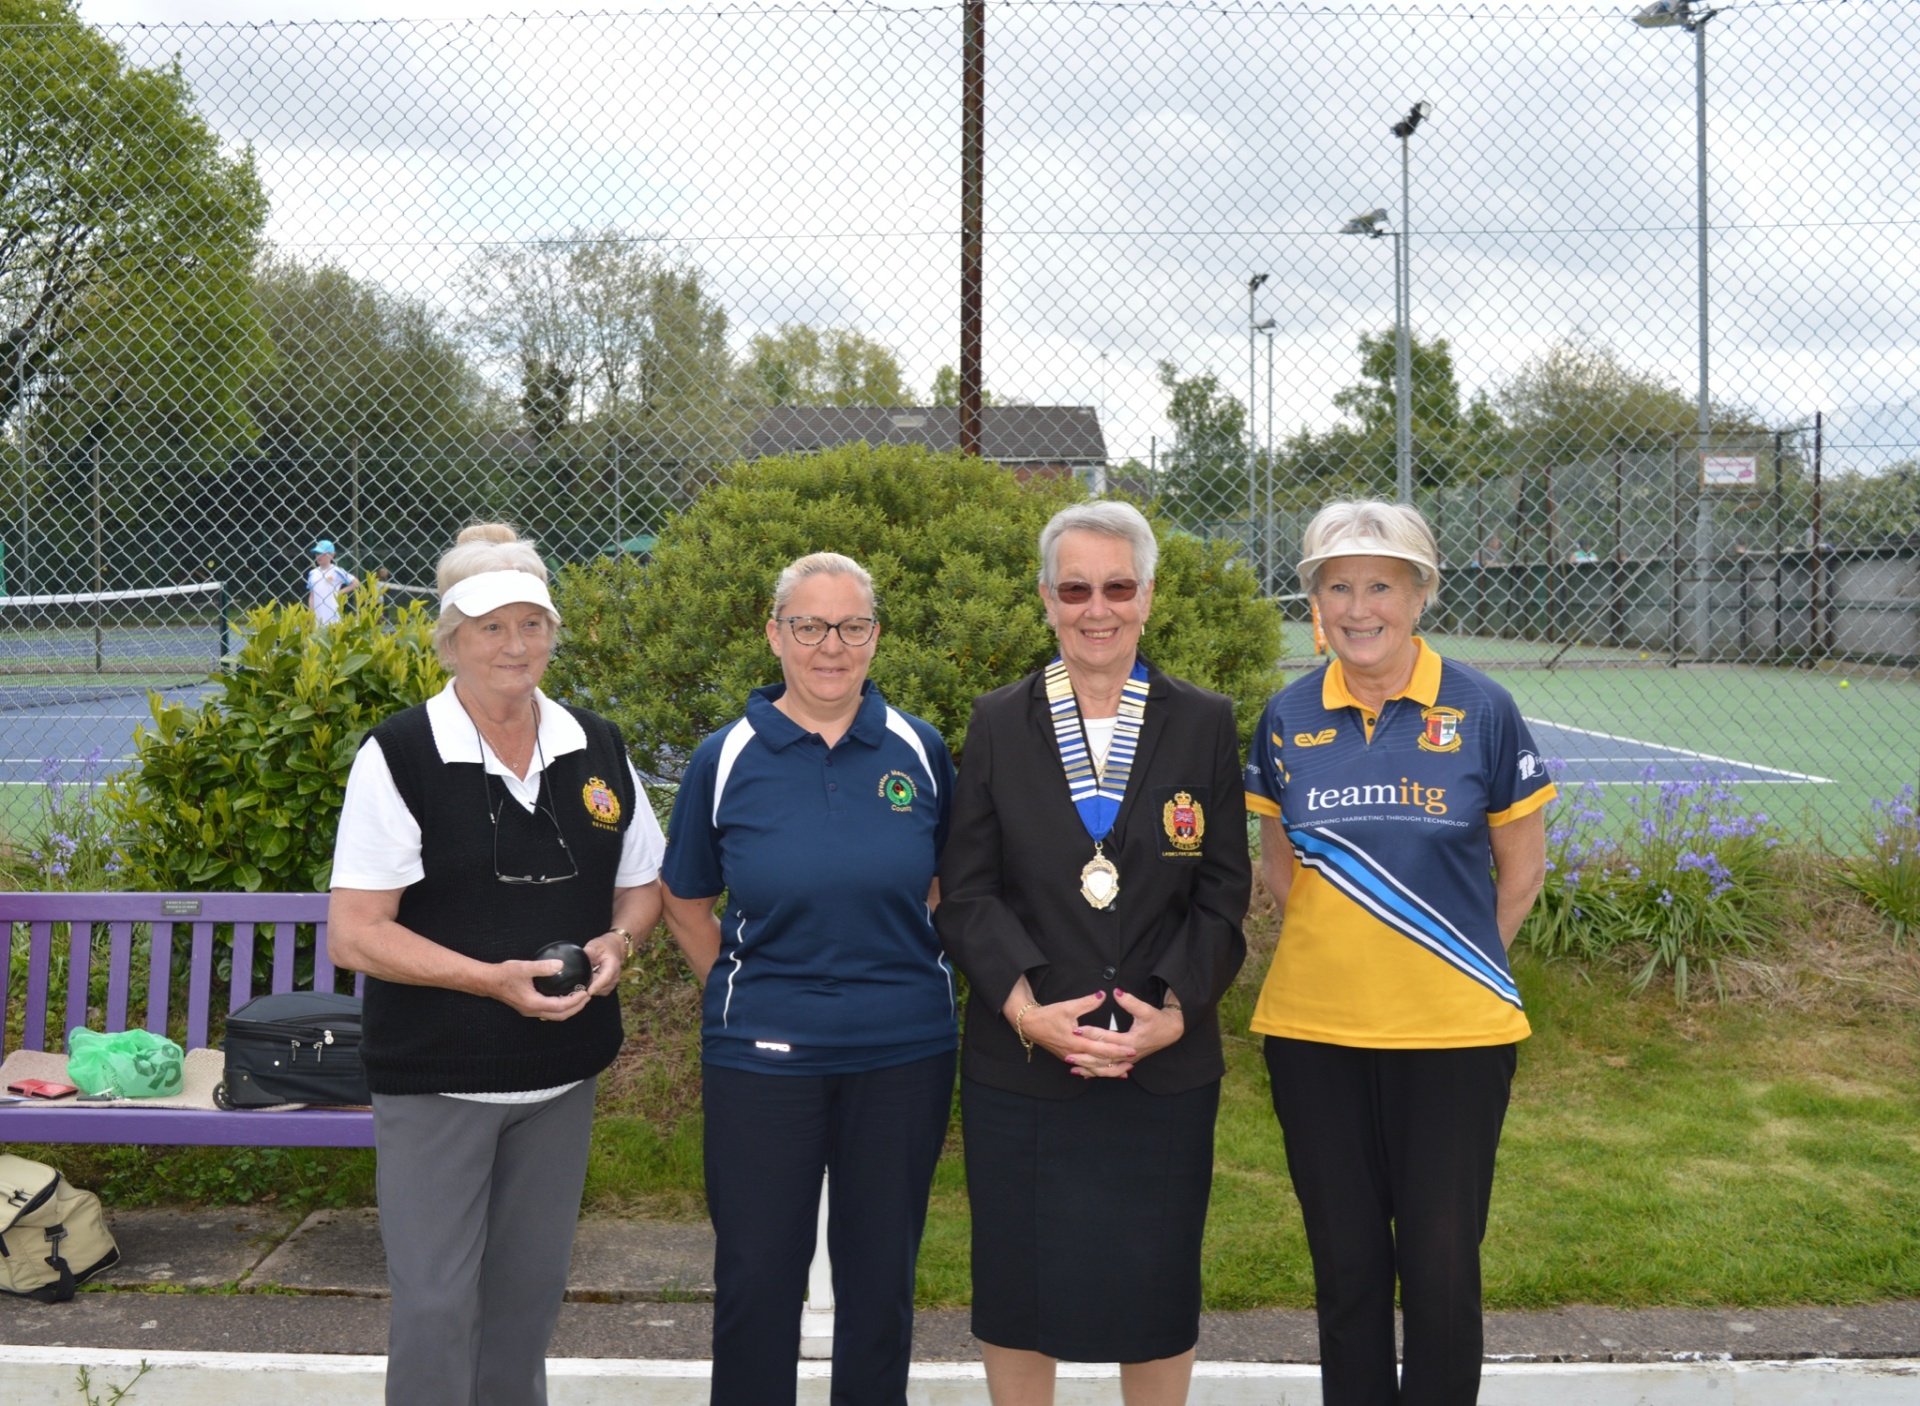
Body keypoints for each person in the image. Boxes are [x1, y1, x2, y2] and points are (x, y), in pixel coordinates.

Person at [327, 522, 665, 1406]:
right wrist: (487, 980)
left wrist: (620, 942)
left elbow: (644, 885)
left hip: (559, 1077)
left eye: (533, 623)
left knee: (524, 1308)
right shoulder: (398, 754)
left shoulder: (597, 745)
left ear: (554, 631)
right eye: (490, 626)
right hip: (439, 1077)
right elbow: (356, 933)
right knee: (437, 1310)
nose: (516, 645)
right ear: (449, 639)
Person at [936, 500, 1250, 1406]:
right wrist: (1027, 1008)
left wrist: (1174, 1014)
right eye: (1075, 588)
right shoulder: (998, 721)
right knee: (1018, 1288)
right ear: (1045, 599)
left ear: (1148, 597)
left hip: (1161, 1060)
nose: (1096, 608)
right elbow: (969, 889)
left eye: (1117, 587)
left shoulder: (1203, 721)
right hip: (1025, 1057)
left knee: (1154, 1289)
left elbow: (1225, 892)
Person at [1243, 499, 1555, 1406]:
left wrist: (1447, 962)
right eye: (1337, 586)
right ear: (1315, 603)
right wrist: (1350, 953)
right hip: (1313, 1036)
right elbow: (1278, 864)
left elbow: (1522, 872)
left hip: (1454, 1038)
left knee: (1442, 1270)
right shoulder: (1287, 715)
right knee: (1344, 1270)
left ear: (1419, 596)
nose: (1358, 606)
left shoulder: (1484, 710)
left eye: (1381, 584)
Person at [659, 551, 956, 1406]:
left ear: (875, 636)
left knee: (881, 1278)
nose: (833, 646)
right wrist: (750, 990)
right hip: (762, 1056)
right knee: (757, 1273)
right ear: (775, 634)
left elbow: (943, 887)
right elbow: (685, 901)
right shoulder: (727, 756)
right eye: (810, 626)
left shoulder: (920, 749)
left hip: (904, 1051)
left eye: (853, 626)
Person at [307, 539, 355, 626]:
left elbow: (355, 583)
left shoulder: (336, 571)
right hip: (317, 616)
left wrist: (340, 592)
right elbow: (312, 596)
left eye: (322, 554)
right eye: (317, 554)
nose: (319, 557)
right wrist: (310, 613)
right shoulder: (312, 573)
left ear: (332, 555)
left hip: (332, 614)